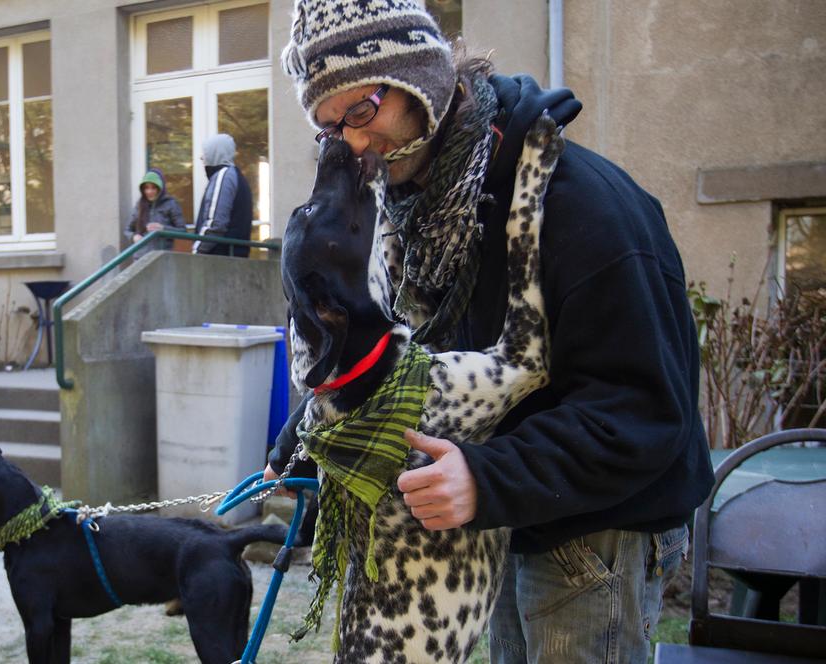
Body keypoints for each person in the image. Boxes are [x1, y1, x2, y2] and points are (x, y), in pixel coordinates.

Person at [267, 1, 715, 661]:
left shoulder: (582, 208)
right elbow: (415, 361)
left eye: (361, 111)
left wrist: (487, 476)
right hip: (511, 511)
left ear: (419, 78)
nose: (354, 144)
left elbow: (645, 411)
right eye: (332, 129)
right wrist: (316, 424)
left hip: (598, 527)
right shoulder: (420, 204)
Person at [192, 133, 254, 257]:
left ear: (215, 153)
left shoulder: (224, 176)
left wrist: (196, 251)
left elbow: (215, 224)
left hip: (220, 259)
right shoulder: (235, 177)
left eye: (205, 152)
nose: (202, 157)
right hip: (232, 257)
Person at [125, 167, 185, 252]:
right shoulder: (139, 205)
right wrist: (133, 237)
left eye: (153, 188)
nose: (149, 191)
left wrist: (163, 229)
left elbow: (182, 231)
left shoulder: (171, 204)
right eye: (146, 188)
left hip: (161, 257)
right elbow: (128, 230)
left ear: (160, 188)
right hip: (140, 257)